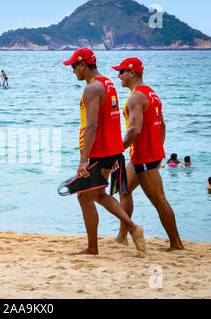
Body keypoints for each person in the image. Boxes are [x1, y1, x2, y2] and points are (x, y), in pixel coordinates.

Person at [63, 48, 146, 255]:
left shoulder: (91, 89)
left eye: (74, 66)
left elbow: (92, 126)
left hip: (98, 152)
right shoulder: (108, 83)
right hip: (113, 149)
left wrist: (83, 161)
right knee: (99, 194)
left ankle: (93, 248)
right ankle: (133, 228)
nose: (73, 71)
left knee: (84, 197)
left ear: (83, 65)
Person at [112, 57, 184, 252]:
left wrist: (115, 152)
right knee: (124, 189)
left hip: (144, 157)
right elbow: (163, 125)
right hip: (144, 155)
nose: (118, 76)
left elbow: (134, 130)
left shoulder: (136, 97)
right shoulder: (151, 93)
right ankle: (122, 237)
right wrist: (159, 151)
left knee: (159, 200)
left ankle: (176, 244)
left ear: (131, 73)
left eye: (121, 71)